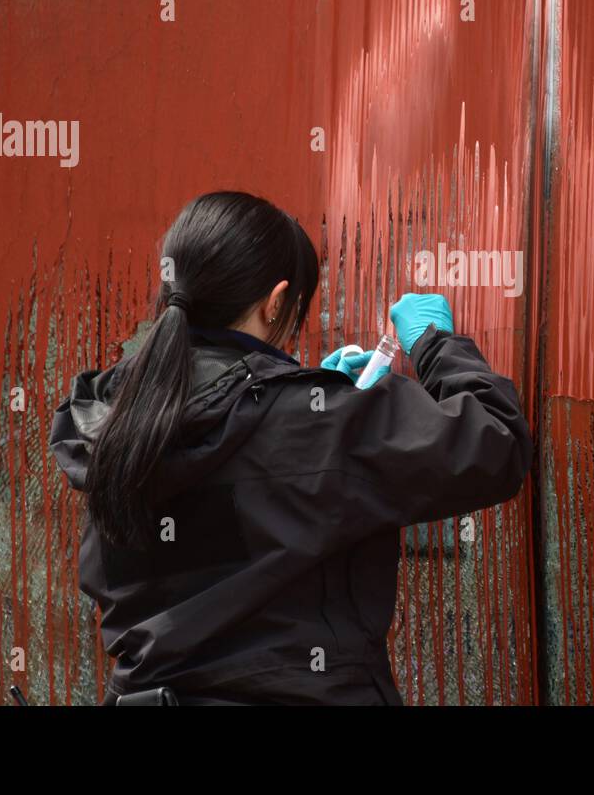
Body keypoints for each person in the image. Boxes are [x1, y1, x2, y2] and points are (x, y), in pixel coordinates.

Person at [48, 191, 533, 705]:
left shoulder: (110, 421)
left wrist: (314, 405)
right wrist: (435, 343)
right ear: (275, 302)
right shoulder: (312, 425)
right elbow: (496, 443)